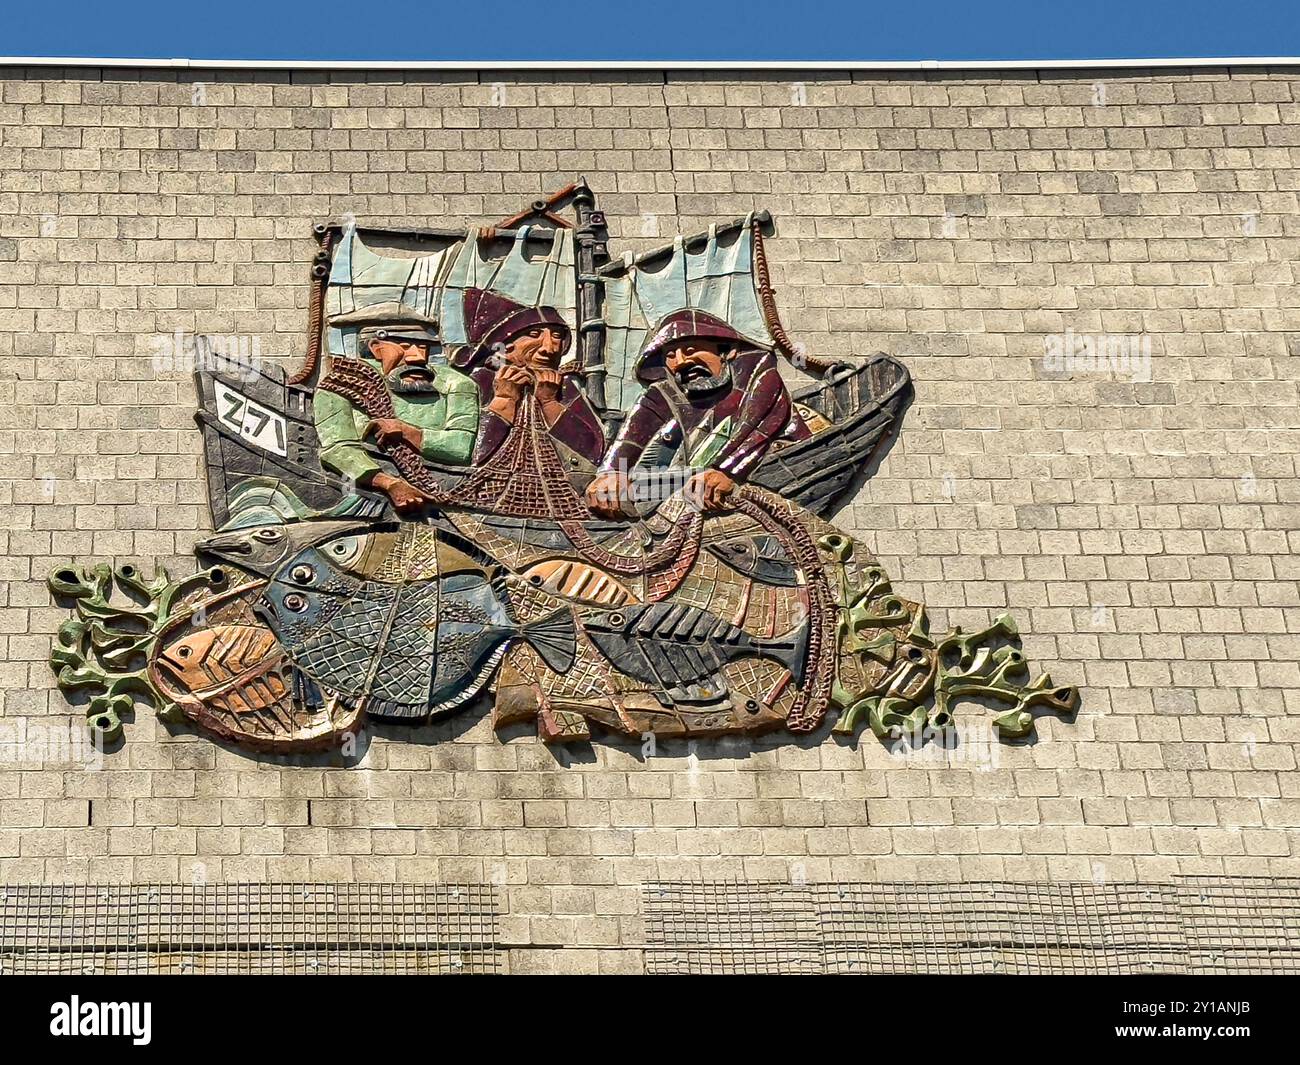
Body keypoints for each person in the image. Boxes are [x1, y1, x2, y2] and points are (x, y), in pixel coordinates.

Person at [585, 309, 810, 518]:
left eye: (691, 350)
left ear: (727, 351)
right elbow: (628, 443)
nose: (681, 362)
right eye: (670, 355)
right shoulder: (661, 397)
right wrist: (610, 475)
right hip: (669, 503)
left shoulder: (761, 385)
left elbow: (792, 450)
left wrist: (729, 474)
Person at [314, 303, 480, 514]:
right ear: (375, 347)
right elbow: (337, 448)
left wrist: (407, 432)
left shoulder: (456, 384)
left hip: (454, 488)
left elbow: (462, 447)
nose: (417, 357)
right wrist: (390, 484)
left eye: (422, 346)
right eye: (404, 344)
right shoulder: (342, 384)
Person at [452, 288, 605, 486]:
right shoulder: (478, 381)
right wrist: (504, 400)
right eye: (534, 335)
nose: (549, 349)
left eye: (557, 336)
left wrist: (550, 403)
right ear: (504, 345)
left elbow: (594, 452)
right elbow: (472, 456)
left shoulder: (562, 386)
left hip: (557, 493)